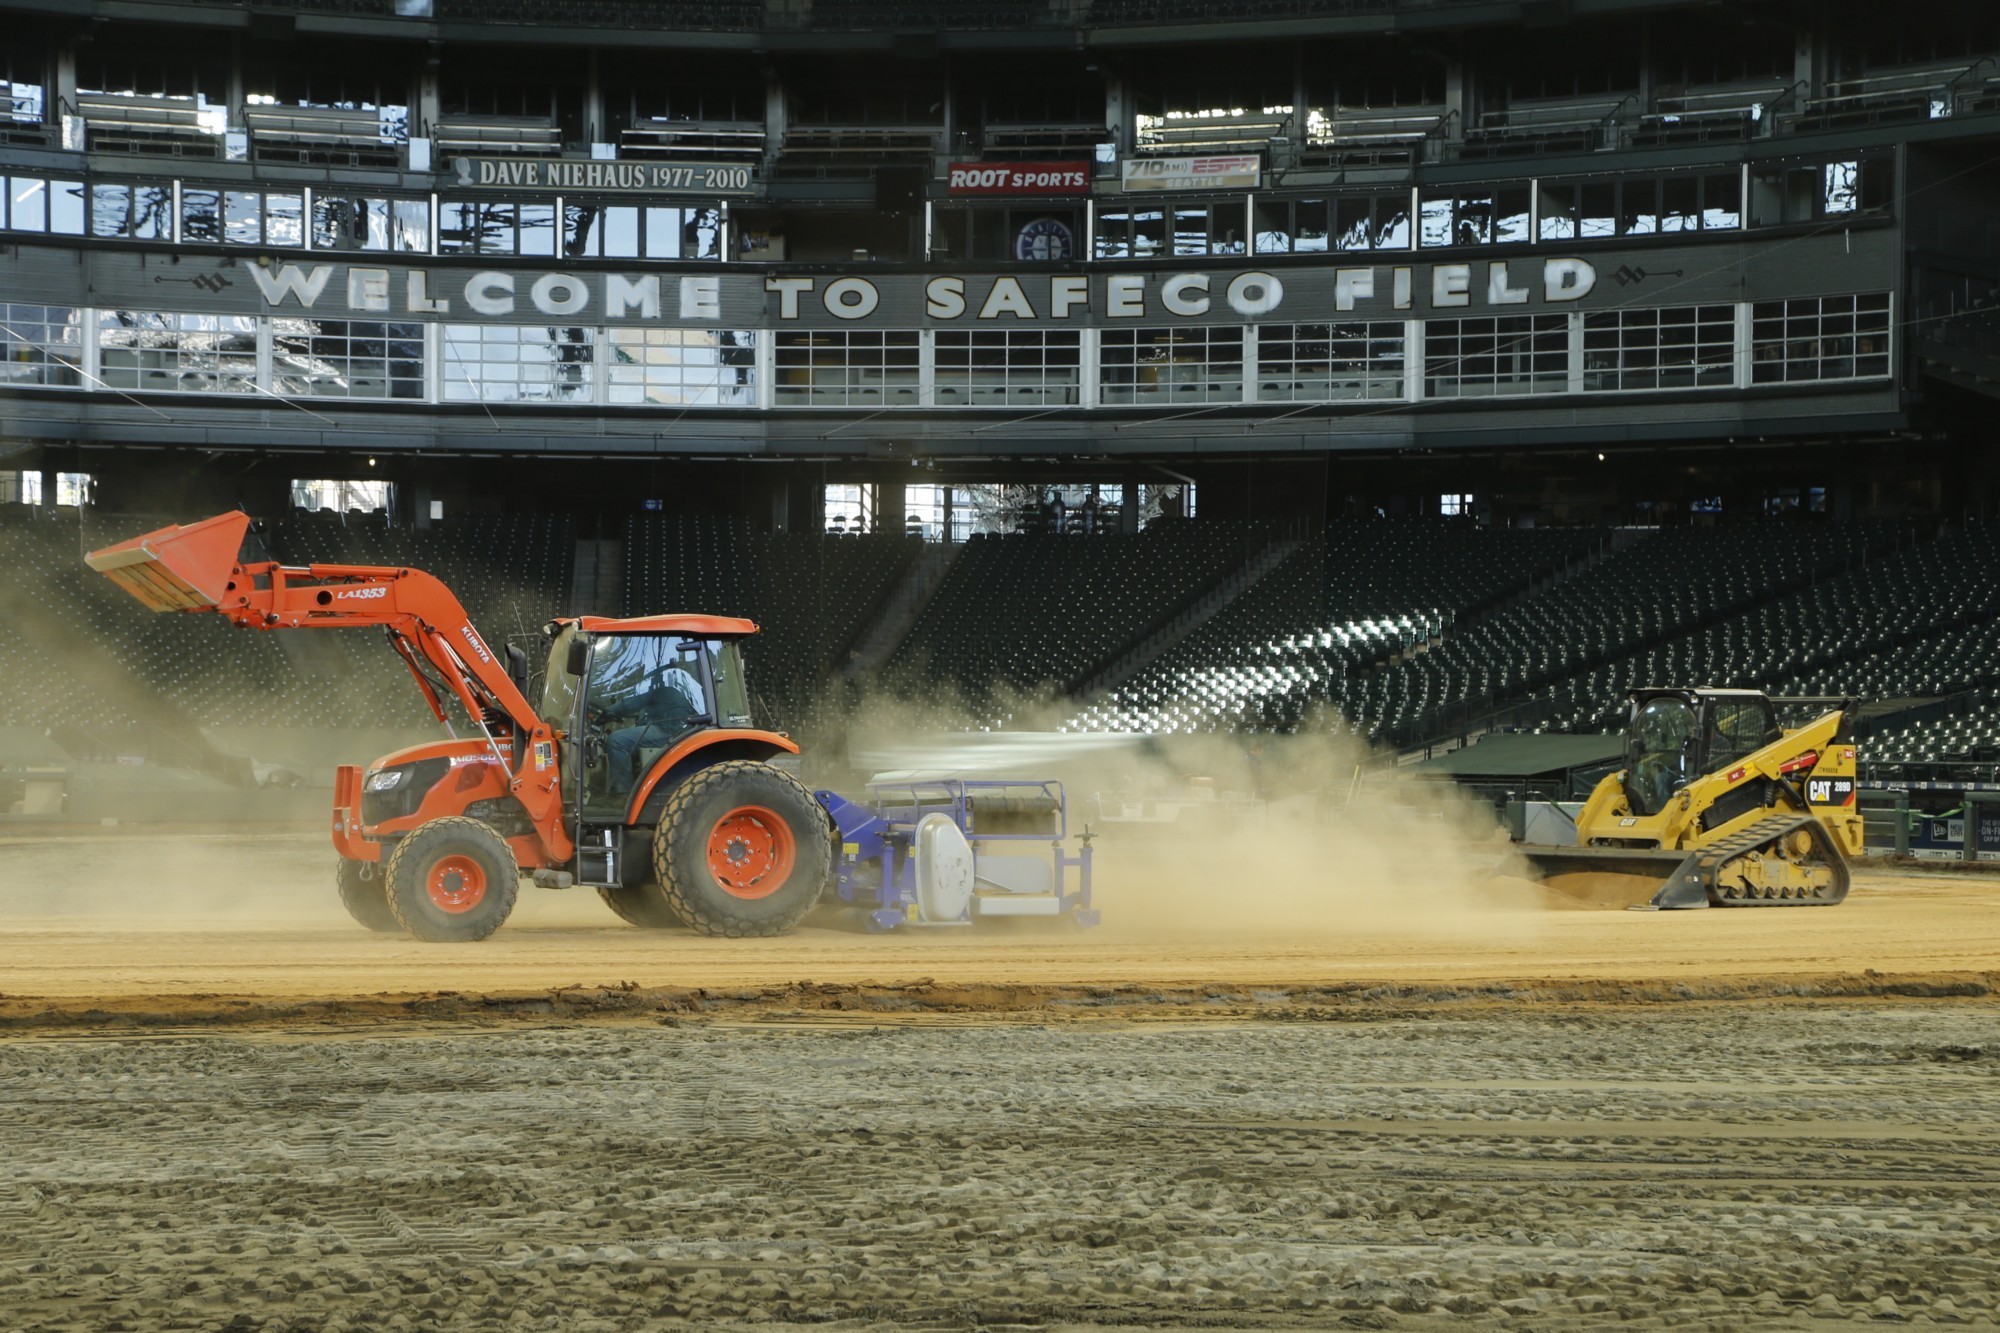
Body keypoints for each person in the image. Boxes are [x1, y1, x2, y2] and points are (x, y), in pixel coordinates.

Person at [595, 641, 706, 796]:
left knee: (617, 741)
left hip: (669, 730)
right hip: (680, 727)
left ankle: (622, 794)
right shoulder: (676, 677)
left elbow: (630, 704)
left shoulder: (659, 680)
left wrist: (604, 714)